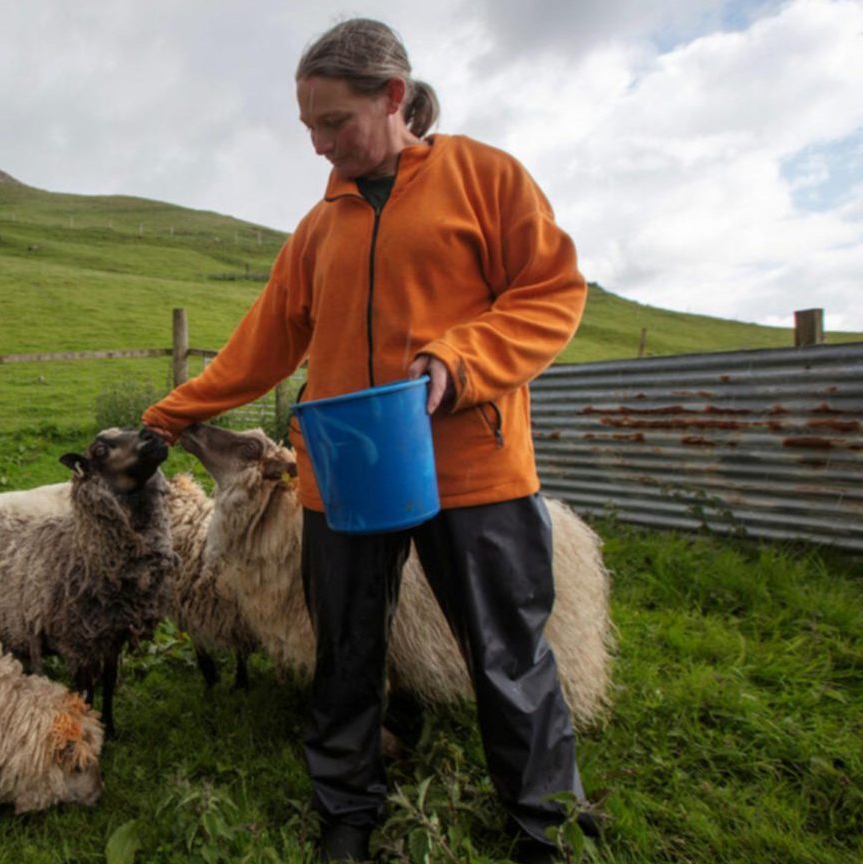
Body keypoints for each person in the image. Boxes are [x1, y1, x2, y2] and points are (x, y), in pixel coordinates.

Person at [142, 18, 594, 864]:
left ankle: (544, 821)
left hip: (472, 466)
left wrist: (457, 362)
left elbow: (551, 294)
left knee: (506, 651)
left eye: (333, 122)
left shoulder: (485, 179)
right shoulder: (322, 227)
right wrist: (168, 415)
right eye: (308, 126)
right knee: (346, 654)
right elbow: (260, 347)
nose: (318, 144)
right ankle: (346, 812)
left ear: (393, 96)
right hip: (347, 474)